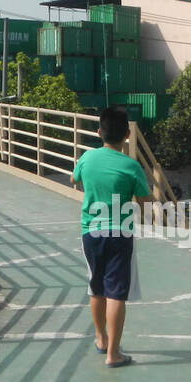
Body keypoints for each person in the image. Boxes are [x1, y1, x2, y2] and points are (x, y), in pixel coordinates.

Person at [71, 107, 156, 368]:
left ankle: (101, 339)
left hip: (91, 232)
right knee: (117, 292)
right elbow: (145, 203)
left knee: (96, 287)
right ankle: (114, 354)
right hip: (120, 233)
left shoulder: (86, 158)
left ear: (99, 132)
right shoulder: (131, 166)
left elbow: (76, 181)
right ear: (128, 135)